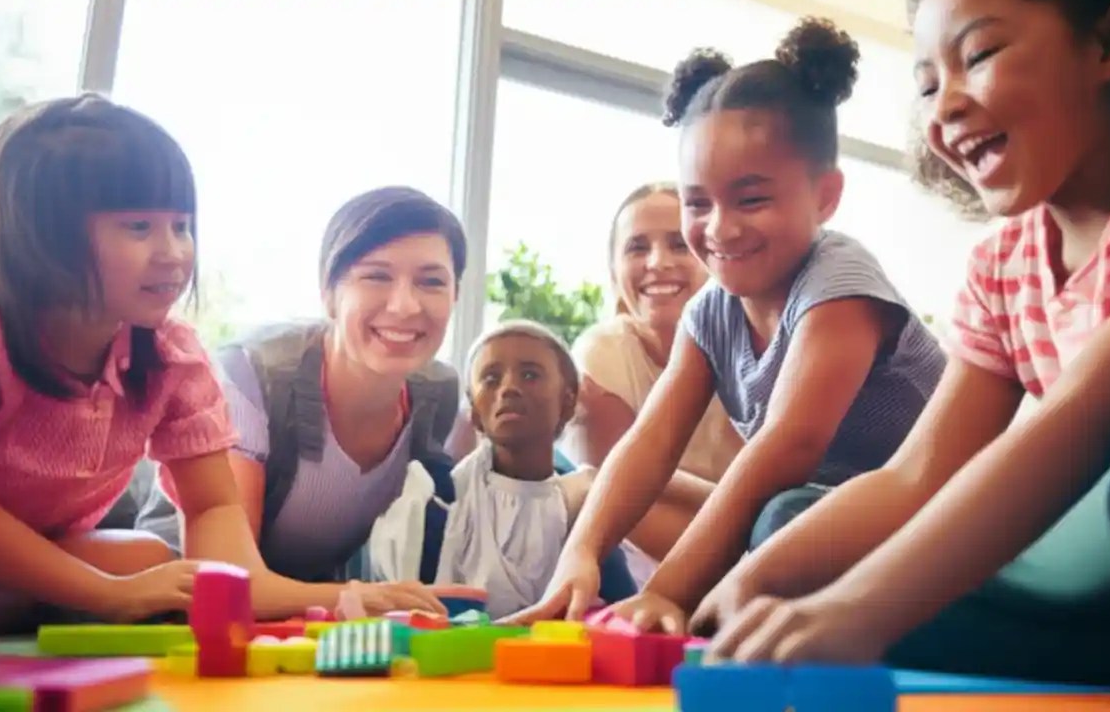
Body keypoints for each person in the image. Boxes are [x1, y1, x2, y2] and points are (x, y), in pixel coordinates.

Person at [695, 0, 1110, 701]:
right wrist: (748, 583)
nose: (944, 108)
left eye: (981, 55)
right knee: (789, 525)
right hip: (1082, 556)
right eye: (928, 84)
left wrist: (864, 605)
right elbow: (917, 475)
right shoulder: (1003, 265)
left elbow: (1082, 423)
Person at [510, 17, 945, 627]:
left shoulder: (840, 285)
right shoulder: (711, 312)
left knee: (782, 514)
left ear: (825, 196)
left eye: (751, 199)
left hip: (920, 515)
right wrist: (580, 553)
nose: (719, 228)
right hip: (809, 513)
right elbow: (651, 442)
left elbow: (785, 448)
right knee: (612, 483)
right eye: (698, 202)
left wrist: (669, 591)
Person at [0, 95, 440, 635]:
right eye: (138, 226)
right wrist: (108, 595)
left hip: (28, 568)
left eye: (180, 226)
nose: (174, 252)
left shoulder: (170, 358)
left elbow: (216, 518)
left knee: (151, 561)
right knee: (132, 576)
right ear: (43, 235)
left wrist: (347, 597)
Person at [135, 186, 464, 604]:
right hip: (172, 597)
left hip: (301, 612)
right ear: (329, 294)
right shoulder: (253, 372)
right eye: (376, 276)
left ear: (455, 295)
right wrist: (364, 597)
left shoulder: (439, 394)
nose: (404, 305)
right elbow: (226, 581)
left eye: (432, 281)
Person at [564, 182, 742, 587]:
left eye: (679, 245)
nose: (658, 262)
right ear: (613, 273)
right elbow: (617, 491)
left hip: (739, 535)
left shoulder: (750, 350)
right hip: (644, 546)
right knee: (595, 491)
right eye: (637, 248)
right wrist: (740, 504)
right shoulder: (602, 352)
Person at [412, 321, 635, 618]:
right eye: (491, 379)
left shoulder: (584, 512)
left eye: (530, 375)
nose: (509, 388)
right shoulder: (441, 505)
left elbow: (620, 614)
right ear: (475, 413)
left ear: (568, 401)